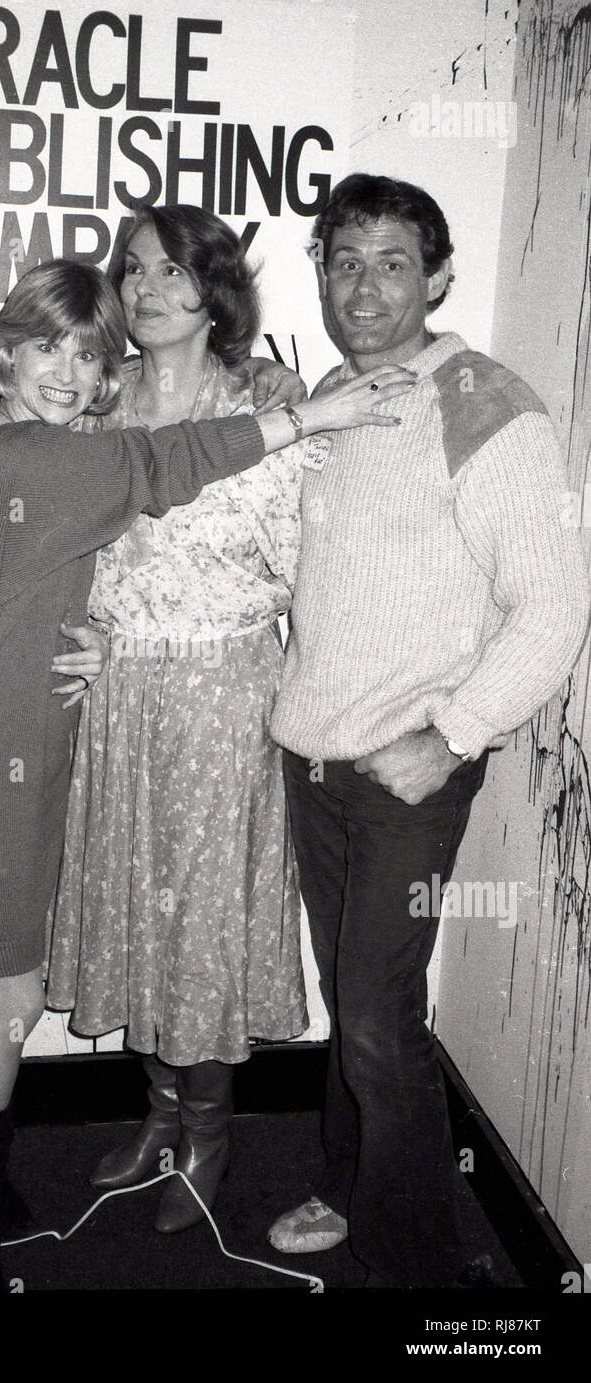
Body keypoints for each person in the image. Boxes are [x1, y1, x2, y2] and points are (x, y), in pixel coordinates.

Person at [0, 254, 412, 1291]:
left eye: (87, 352)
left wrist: (78, 631)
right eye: (47, 344)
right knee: (9, 996)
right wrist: (313, 416)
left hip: (17, 733)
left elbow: (54, 570)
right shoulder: (8, 457)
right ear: (4, 352)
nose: (70, 371)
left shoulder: (36, 445)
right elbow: (165, 464)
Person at [45, 204, 413, 1235]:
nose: (147, 289)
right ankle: (158, 1114)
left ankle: (210, 1132)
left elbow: (324, 569)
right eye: (133, 271)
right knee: (133, 901)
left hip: (222, 696)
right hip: (119, 698)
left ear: (213, 290)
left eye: (172, 271)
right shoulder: (93, 405)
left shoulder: (267, 405)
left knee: (198, 919)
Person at [265, 173, 590, 1288]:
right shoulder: (330, 393)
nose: (362, 285)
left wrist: (448, 735)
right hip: (310, 758)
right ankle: (352, 1185)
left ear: (439, 275)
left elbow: (552, 603)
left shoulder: (484, 401)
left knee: (371, 1015)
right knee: (352, 997)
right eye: (341, 259)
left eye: (391, 261)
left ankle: (428, 1272)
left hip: (405, 771)